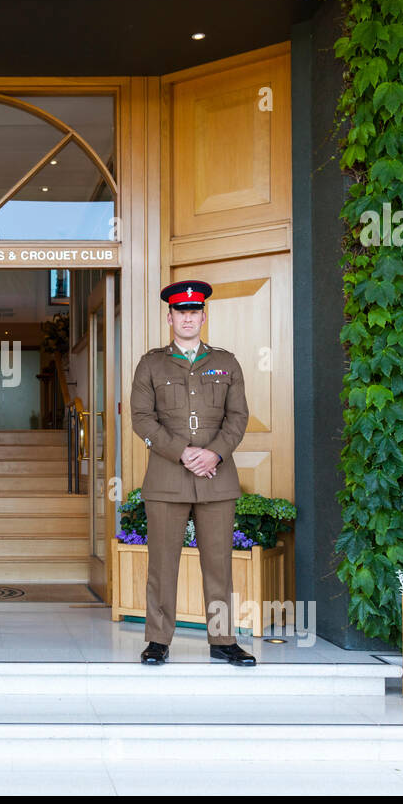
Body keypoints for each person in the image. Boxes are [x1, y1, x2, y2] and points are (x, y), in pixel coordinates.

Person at [129, 279, 256, 667]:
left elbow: (238, 417)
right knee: (162, 565)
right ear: (169, 317)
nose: (188, 317)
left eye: (194, 311)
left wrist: (214, 454)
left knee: (218, 565)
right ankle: (157, 641)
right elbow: (141, 418)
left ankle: (222, 640)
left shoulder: (226, 362)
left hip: (216, 478)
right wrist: (181, 452)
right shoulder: (151, 363)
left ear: (203, 315)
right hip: (167, 478)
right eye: (181, 312)